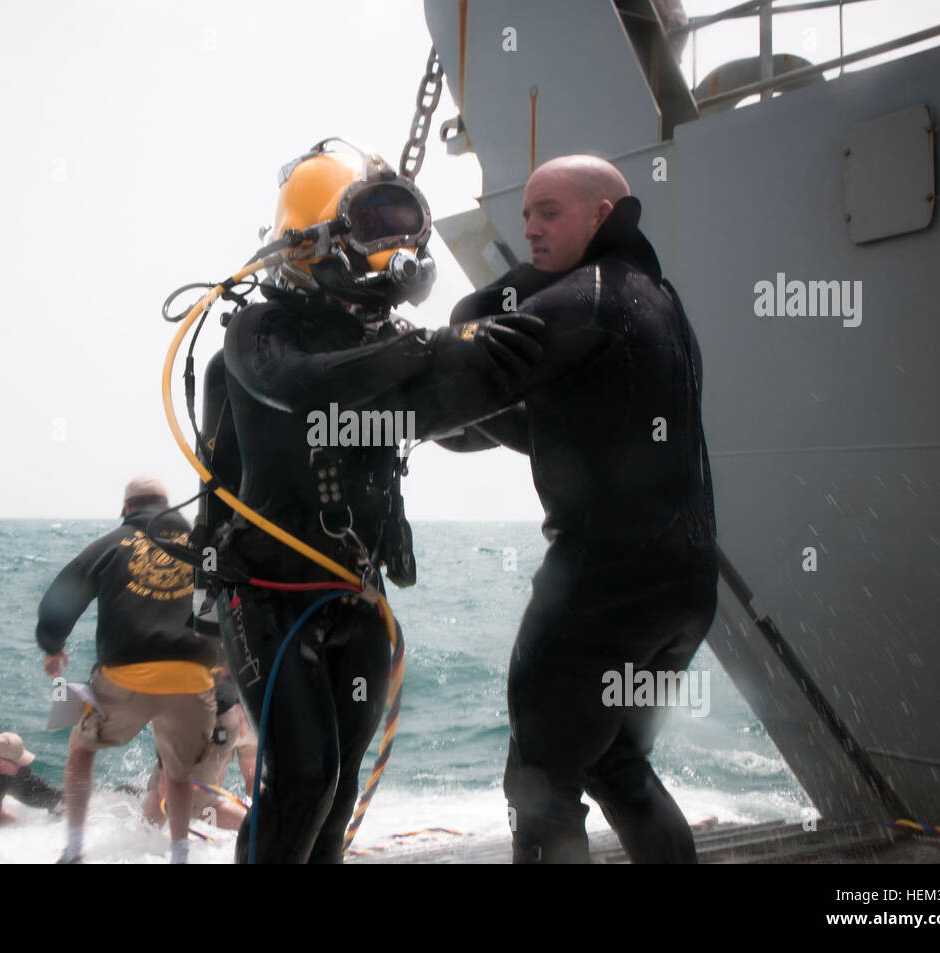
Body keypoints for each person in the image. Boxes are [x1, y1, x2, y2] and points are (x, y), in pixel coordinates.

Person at [210, 139, 545, 863]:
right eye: (374, 224)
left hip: (356, 595)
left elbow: (458, 426)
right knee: (305, 775)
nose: (397, 245)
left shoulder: (385, 344)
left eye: (406, 225)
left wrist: (559, 402)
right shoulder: (258, 333)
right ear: (318, 238)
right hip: (264, 593)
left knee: (338, 786)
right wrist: (434, 349)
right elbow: (305, 385)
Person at [440, 155, 719, 863]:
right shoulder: (660, 301)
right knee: (616, 762)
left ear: (603, 215)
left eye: (549, 212)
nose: (529, 228)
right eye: (527, 213)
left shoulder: (584, 298)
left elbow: (454, 375)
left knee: (541, 782)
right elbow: (561, 435)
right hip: (684, 589)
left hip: (602, 590)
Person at [37, 475, 220, 864]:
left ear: (127, 510)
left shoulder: (113, 544)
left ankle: (73, 850)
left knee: (81, 748)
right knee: (179, 772)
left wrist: (52, 647)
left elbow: (59, 598)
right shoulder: (204, 547)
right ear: (169, 507)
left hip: (126, 678)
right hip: (195, 680)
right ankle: (180, 856)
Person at [141, 668, 258, 831]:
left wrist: (164, 764)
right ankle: (142, 846)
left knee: (199, 805)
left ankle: (264, 832)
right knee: (159, 791)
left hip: (216, 719)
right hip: (236, 709)